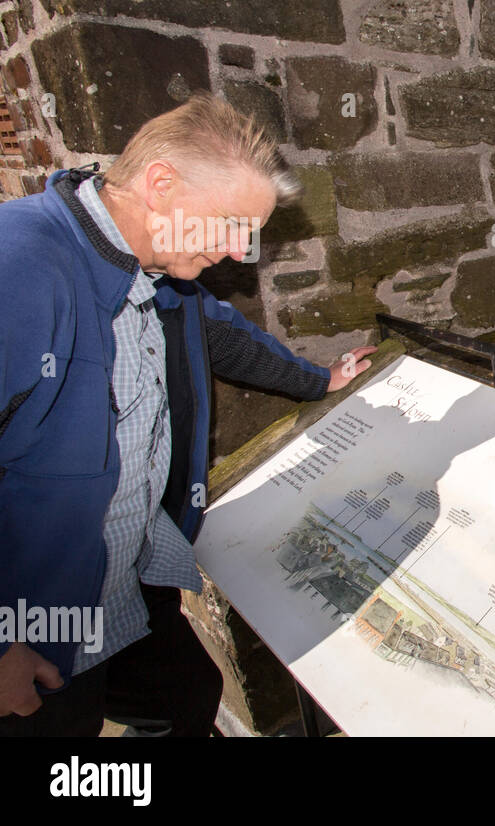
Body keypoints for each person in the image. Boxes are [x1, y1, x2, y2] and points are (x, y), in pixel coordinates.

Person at [0, 93, 377, 735]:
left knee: (186, 699)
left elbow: (227, 338)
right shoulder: (22, 261)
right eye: (232, 223)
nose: (239, 251)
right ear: (161, 183)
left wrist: (322, 380)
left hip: (120, 589)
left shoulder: (162, 276)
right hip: (32, 622)